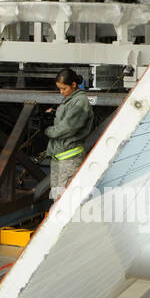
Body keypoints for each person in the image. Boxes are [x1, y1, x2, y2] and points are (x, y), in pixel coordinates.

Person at [44, 66, 94, 201]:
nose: (61, 92)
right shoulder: (70, 100)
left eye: (64, 88)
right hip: (59, 158)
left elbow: (68, 128)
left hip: (69, 159)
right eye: (59, 89)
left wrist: (48, 130)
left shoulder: (80, 102)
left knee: (65, 199)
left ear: (73, 84)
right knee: (57, 197)